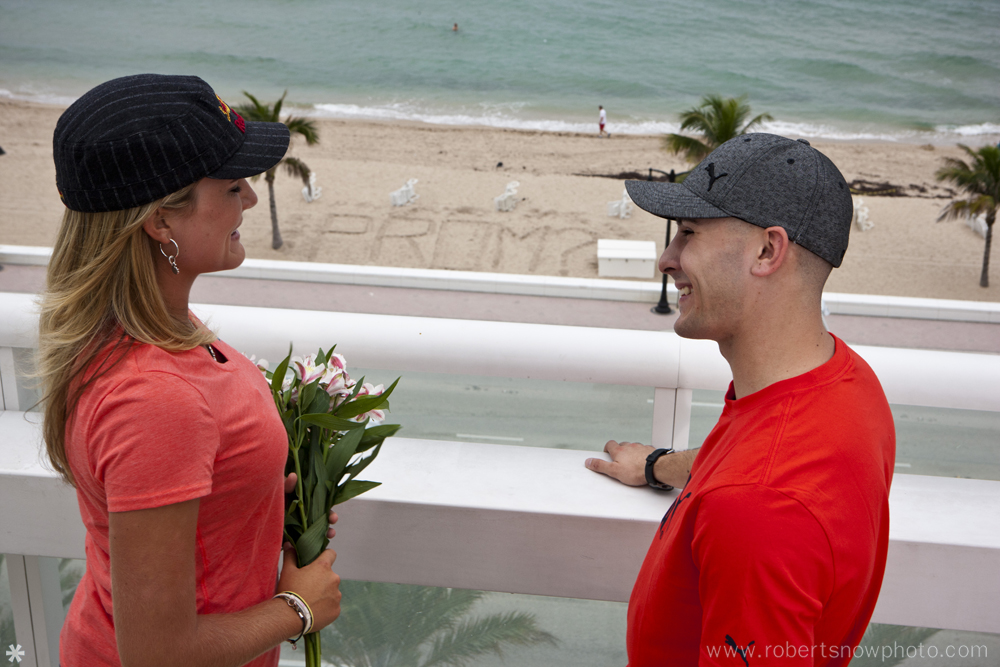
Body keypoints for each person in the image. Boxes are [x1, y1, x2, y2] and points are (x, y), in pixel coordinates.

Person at [39, 74, 342, 667]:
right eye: (231, 187)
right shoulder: (156, 399)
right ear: (160, 222)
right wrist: (299, 608)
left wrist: (256, 494)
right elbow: (156, 655)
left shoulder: (144, 327)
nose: (251, 199)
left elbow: (174, 485)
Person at [585, 134, 895, 666]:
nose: (667, 259)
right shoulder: (844, 382)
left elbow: (758, 488)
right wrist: (660, 466)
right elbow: (750, 456)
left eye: (688, 234)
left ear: (767, 250)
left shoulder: (758, 506)